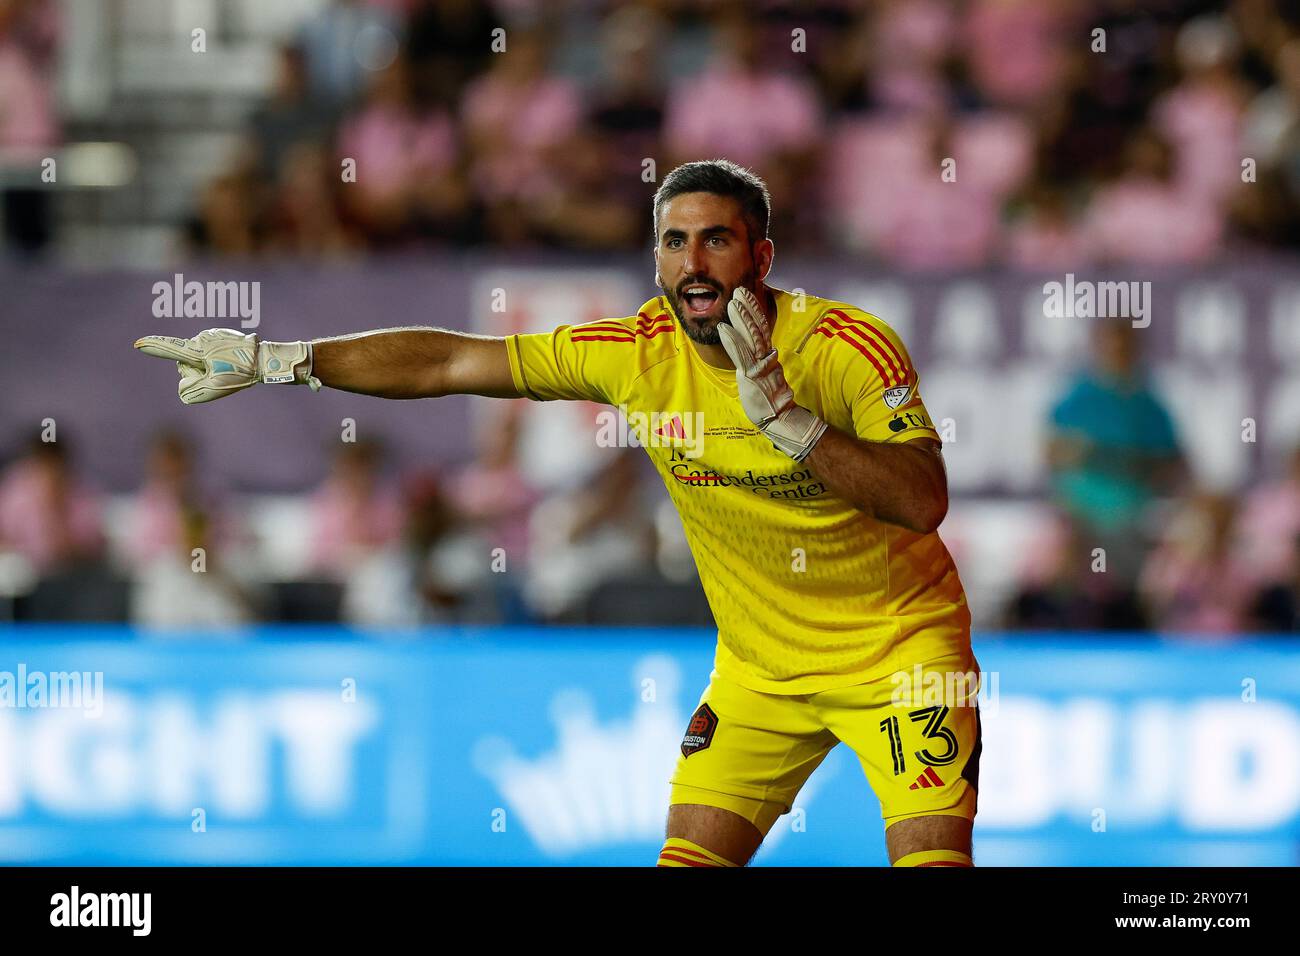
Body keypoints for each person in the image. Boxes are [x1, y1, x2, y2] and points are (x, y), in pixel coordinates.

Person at [133, 159, 979, 869]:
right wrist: (278, 358)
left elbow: (921, 500)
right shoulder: (632, 355)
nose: (694, 262)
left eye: (716, 239)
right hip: (760, 673)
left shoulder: (844, 346)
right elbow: (449, 362)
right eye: (674, 242)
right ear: (655, 262)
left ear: (761, 253)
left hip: (901, 655)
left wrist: (791, 423)